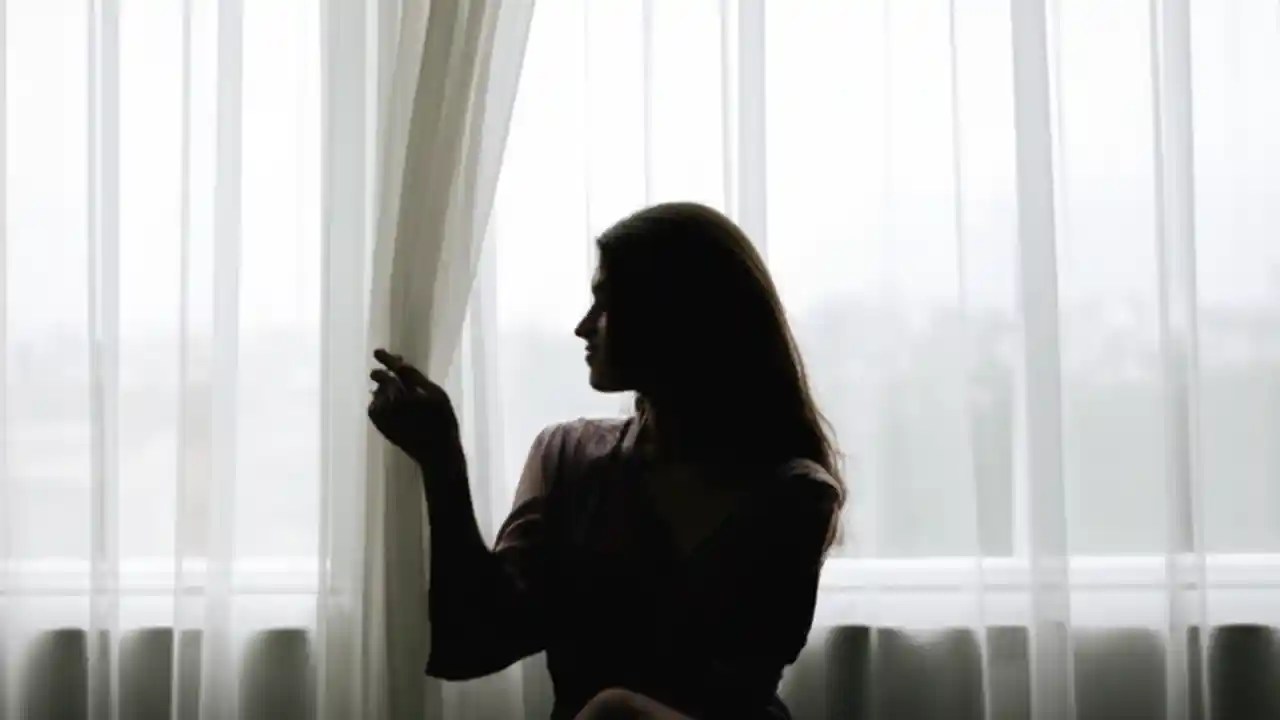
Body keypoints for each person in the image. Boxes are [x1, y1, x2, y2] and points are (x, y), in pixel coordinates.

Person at [368, 202, 845, 720]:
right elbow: (473, 644)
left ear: (672, 314)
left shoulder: (791, 496)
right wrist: (441, 459)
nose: (582, 326)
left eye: (606, 302)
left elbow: (732, 696)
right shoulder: (572, 460)